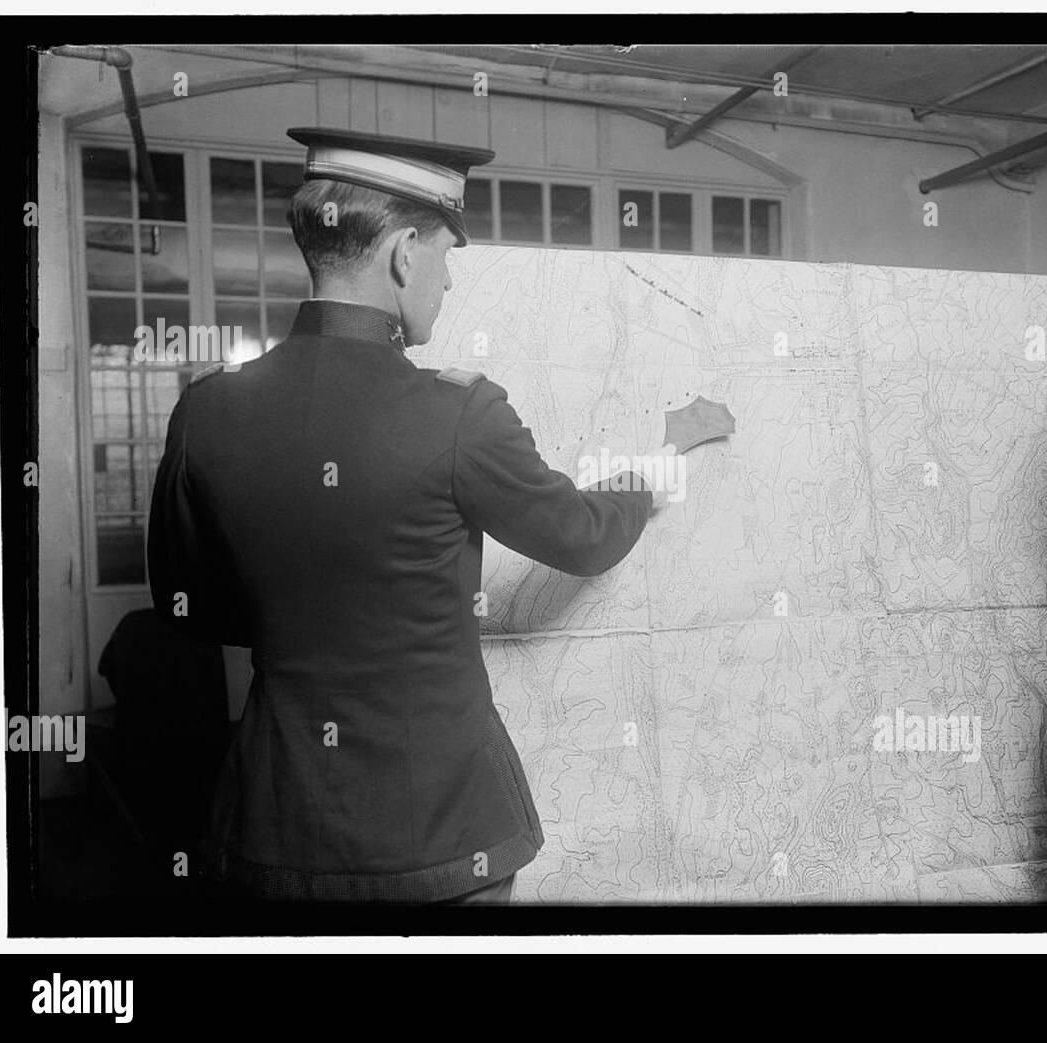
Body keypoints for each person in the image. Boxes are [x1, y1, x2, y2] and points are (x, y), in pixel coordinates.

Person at [148, 127, 671, 904]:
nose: (449, 281)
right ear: (403, 253)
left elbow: (186, 605)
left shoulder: (206, 412)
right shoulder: (458, 414)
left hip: (272, 829)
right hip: (445, 835)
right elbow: (585, 536)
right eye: (446, 254)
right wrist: (654, 472)